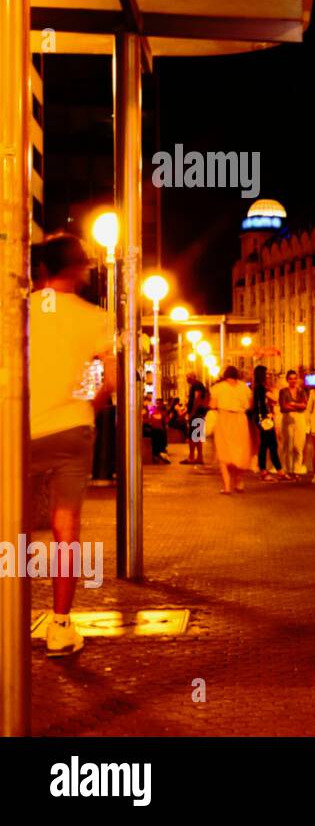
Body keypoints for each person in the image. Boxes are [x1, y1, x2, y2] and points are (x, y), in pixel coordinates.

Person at [28, 234, 115, 656]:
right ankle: (60, 625)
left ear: (42, 268)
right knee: (66, 530)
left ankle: (12, 615)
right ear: (81, 270)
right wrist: (83, 405)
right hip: (72, 430)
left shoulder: (20, 309)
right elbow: (107, 381)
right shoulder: (95, 317)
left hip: (20, 433)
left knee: (16, 529)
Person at [209, 365, 252, 494]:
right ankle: (239, 482)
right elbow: (249, 405)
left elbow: (213, 405)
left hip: (224, 419)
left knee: (224, 451)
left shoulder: (218, 387)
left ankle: (227, 486)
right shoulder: (244, 388)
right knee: (240, 450)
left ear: (225, 375)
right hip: (240, 419)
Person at [253, 365, 289, 480]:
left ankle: (269, 470)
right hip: (265, 419)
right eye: (266, 373)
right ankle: (277, 471)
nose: (269, 375)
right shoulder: (261, 388)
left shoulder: (258, 387)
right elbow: (275, 398)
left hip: (263, 418)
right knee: (271, 445)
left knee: (265, 445)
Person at [278, 369, 308, 477]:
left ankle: (297, 470)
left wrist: (292, 404)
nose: (293, 381)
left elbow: (304, 405)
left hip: (300, 418)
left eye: (295, 378)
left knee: (298, 445)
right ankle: (287, 470)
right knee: (287, 445)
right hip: (287, 417)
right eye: (290, 379)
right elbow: (283, 406)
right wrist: (297, 405)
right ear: (287, 380)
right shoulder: (283, 391)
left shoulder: (301, 391)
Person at [182, 373, 208, 466]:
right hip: (199, 413)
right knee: (197, 436)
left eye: (187, 377)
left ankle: (192, 457)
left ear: (192, 377)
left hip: (196, 413)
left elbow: (197, 397)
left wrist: (193, 411)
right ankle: (200, 457)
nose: (186, 379)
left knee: (192, 436)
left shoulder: (196, 385)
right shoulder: (198, 385)